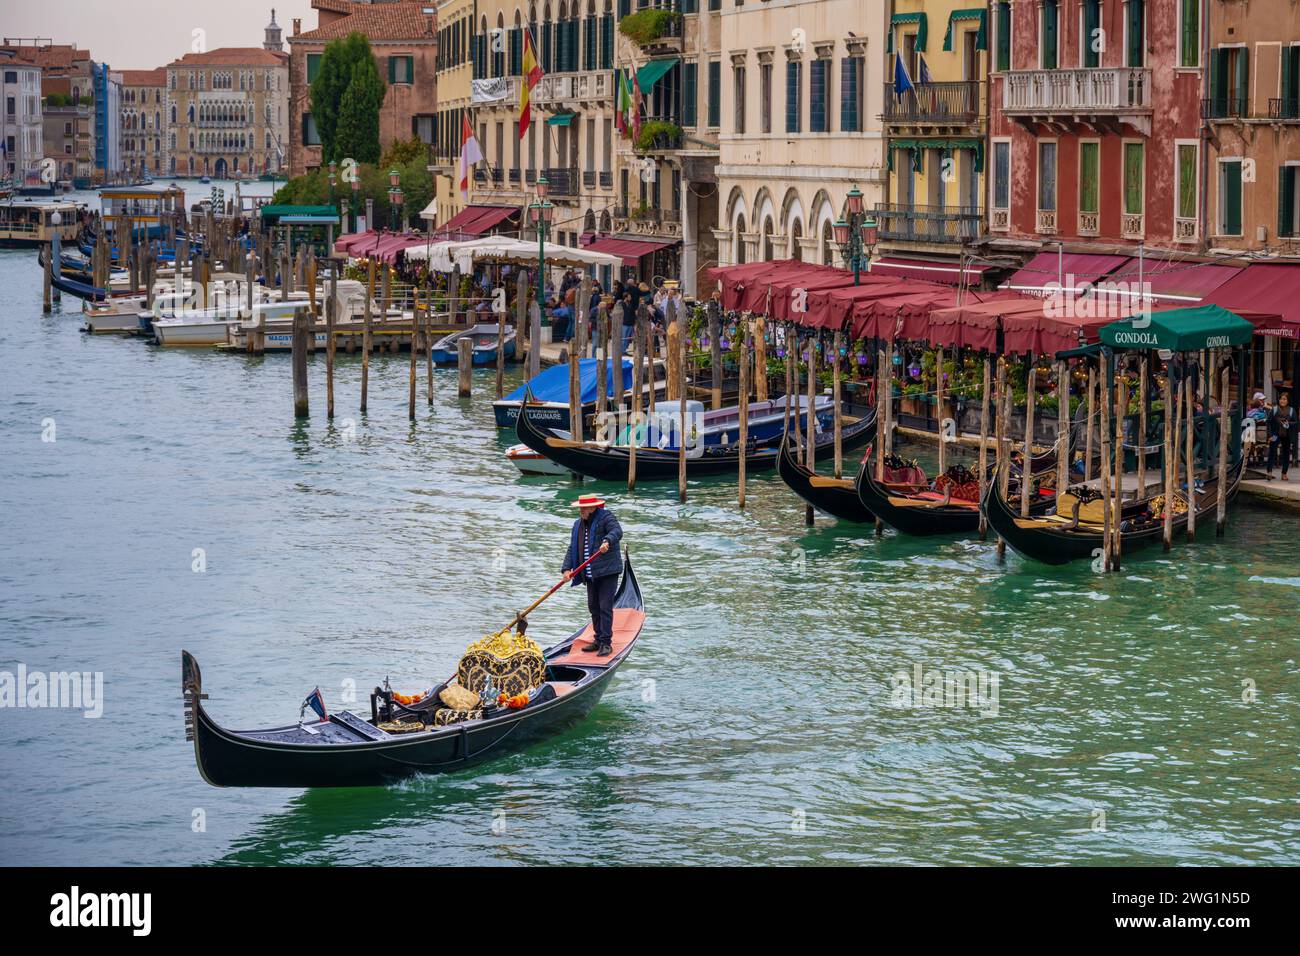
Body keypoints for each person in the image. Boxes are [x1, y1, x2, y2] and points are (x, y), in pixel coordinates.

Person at [561, 493, 624, 656]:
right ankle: (597, 639)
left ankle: (606, 642)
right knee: (593, 606)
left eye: (583, 508)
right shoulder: (577, 525)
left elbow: (617, 531)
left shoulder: (606, 517)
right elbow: (572, 548)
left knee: (605, 606)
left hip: (608, 571)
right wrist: (566, 569)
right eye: (580, 508)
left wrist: (607, 541)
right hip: (590, 574)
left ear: (592, 507)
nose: (580, 511)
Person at [1267, 391, 1296, 480]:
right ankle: (1269, 472)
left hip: (1287, 435)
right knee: (1272, 452)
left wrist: (1288, 423)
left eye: (1284, 399)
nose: (1282, 401)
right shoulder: (1274, 409)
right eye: (1281, 399)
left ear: (1288, 401)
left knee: (1286, 454)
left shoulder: (1291, 410)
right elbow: (1268, 422)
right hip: (1275, 434)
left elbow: (1295, 422)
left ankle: (1284, 473)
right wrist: (1270, 435)